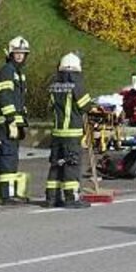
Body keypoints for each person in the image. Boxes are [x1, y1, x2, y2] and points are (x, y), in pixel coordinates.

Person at [46, 52, 91, 207]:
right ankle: (72, 198)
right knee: (72, 164)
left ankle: (52, 197)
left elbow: (50, 106)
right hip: (72, 133)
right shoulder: (76, 85)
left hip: (57, 133)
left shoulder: (53, 85)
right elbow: (85, 105)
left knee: (57, 164)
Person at [0, 36, 31, 203]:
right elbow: (5, 97)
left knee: (11, 155)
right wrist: (11, 119)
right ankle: (5, 195)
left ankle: (6, 192)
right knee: (8, 154)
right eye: (17, 53)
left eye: (23, 53)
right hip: (8, 122)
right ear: (10, 53)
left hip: (15, 121)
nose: (20, 56)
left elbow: (18, 100)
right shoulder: (7, 71)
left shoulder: (18, 73)